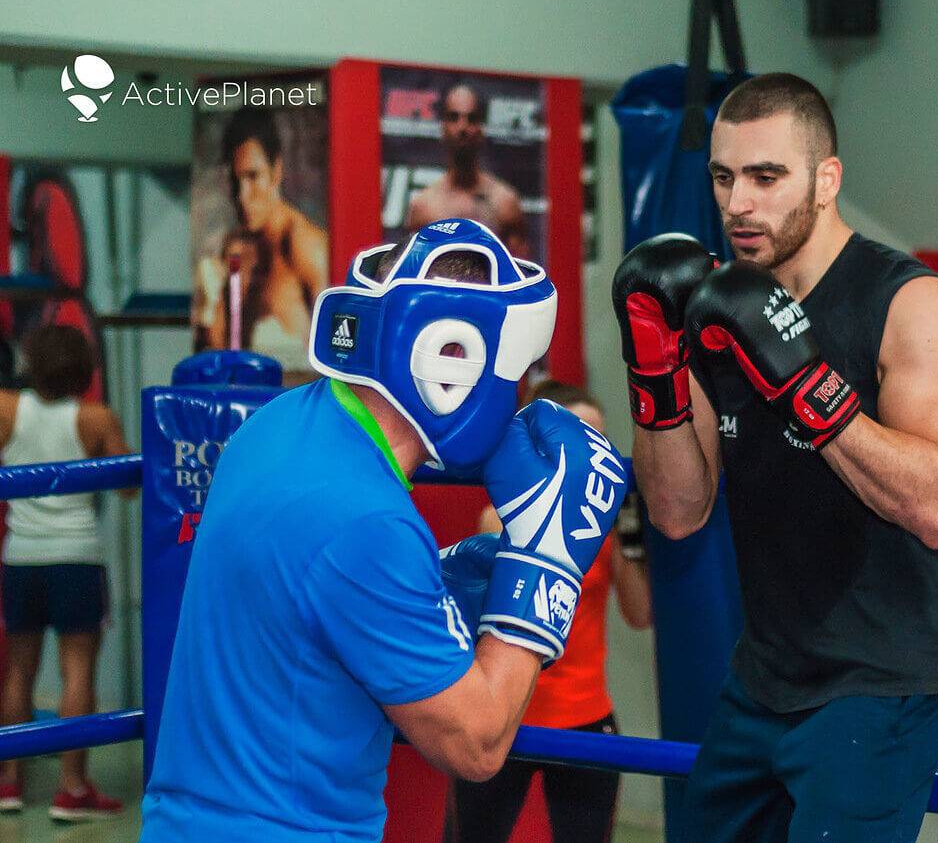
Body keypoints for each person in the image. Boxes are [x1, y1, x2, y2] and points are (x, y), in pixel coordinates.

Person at [140, 219, 626, 842]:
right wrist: (544, 565)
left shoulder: (275, 426)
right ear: (455, 359)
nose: (516, 395)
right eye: (516, 372)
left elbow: (304, 601)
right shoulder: (368, 523)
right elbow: (477, 745)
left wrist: (437, 585)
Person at [615, 72, 938, 842]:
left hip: (889, 677)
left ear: (826, 178)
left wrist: (808, 385)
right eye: (722, 177)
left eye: (765, 176)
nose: (737, 203)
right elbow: (678, 512)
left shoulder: (909, 303)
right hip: (768, 673)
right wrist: (654, 370)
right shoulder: (716, 305)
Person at [448, 379, 651, 843]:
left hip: (585, 716)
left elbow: (639, 615)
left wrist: (622, 534)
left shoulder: (603, 529)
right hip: (507, 714)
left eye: (598, 445)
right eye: (581, 440)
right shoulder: (501, 517)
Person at [0, 324, 135, 820]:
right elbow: (128, 487)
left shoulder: (6, 407)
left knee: (18, 671)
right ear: (85, 369)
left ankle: (7, 783)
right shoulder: (95, 417)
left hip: (22, 557)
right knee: (78, 672)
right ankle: (72, 788)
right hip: (77, 555)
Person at [195, 106, 329, 382]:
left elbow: (336, 357)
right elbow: (215, 349)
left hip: (295, 408)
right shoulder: (234, 247)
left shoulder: (305, 246)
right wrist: (215, 296)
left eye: (253, 177)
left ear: (275, 172)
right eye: (235, 181)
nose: (243, 196)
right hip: (245, 406)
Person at [406, 82, 529, 257]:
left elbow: (521, 277)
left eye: (471, 119)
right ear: (443, 127)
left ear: (481, 129)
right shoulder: (423, 207)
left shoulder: (505, 203)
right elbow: (412, 274)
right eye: (454, 117)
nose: (462, 127)